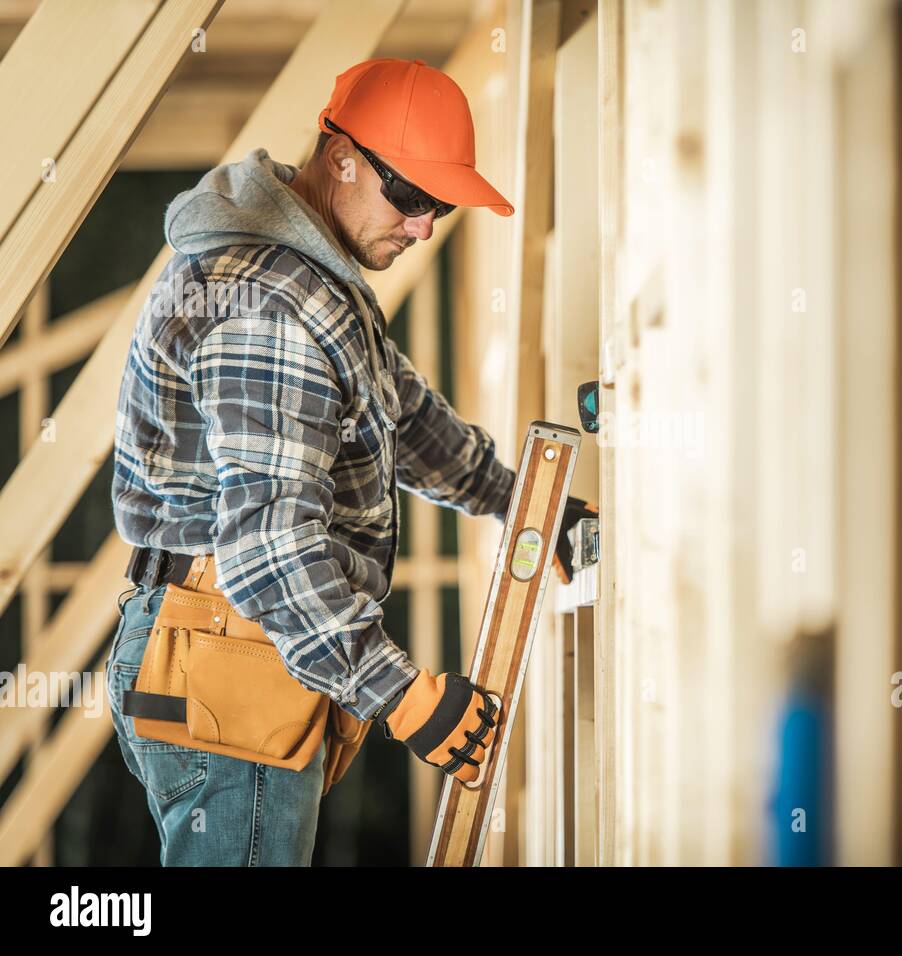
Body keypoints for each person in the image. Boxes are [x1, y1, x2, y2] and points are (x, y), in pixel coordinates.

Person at [107, 58, 594, 866]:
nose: (425, 225)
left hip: (239, 645)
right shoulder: (268, 304)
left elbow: (401, 418)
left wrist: (522, 503)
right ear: (341, 159)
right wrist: (404, 699)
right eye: (410, 198)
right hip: (236, 642)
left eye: (438, 205)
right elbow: (269, 554)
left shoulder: (313, 283)